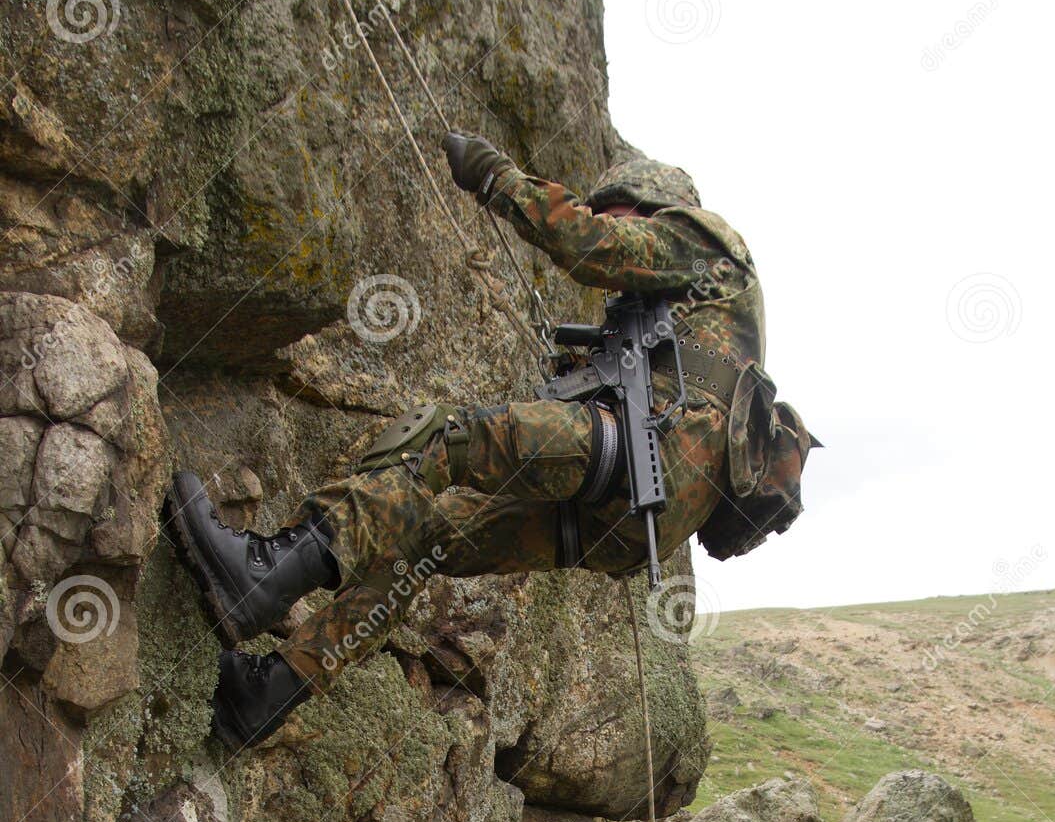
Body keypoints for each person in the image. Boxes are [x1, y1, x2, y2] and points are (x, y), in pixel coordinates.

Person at [164, 134, 817, 751]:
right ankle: (270, 693)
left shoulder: (703, 242)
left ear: (648, 204)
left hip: (645, 459)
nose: (603, 217)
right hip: (619, 523)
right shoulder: (670, 317)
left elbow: (589, 243)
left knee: (437, 438)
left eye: (611, 209)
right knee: (421, 541)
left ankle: (268, 572)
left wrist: (495, 178)